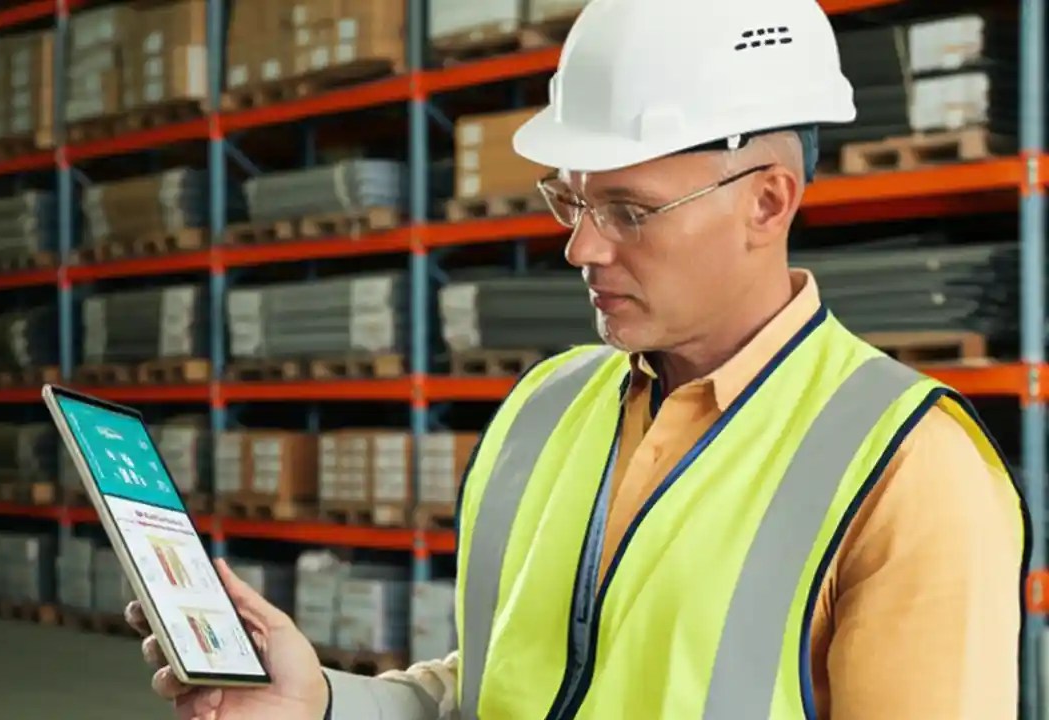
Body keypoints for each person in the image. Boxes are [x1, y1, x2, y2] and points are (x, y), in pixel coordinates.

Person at [127, 0, 1028, 717]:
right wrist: (323, 701)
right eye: (572, 202)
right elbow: (499, 692)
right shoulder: (546, 406)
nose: (582, 249)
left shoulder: (912, 468)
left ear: (767, 202)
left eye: (630, 211)